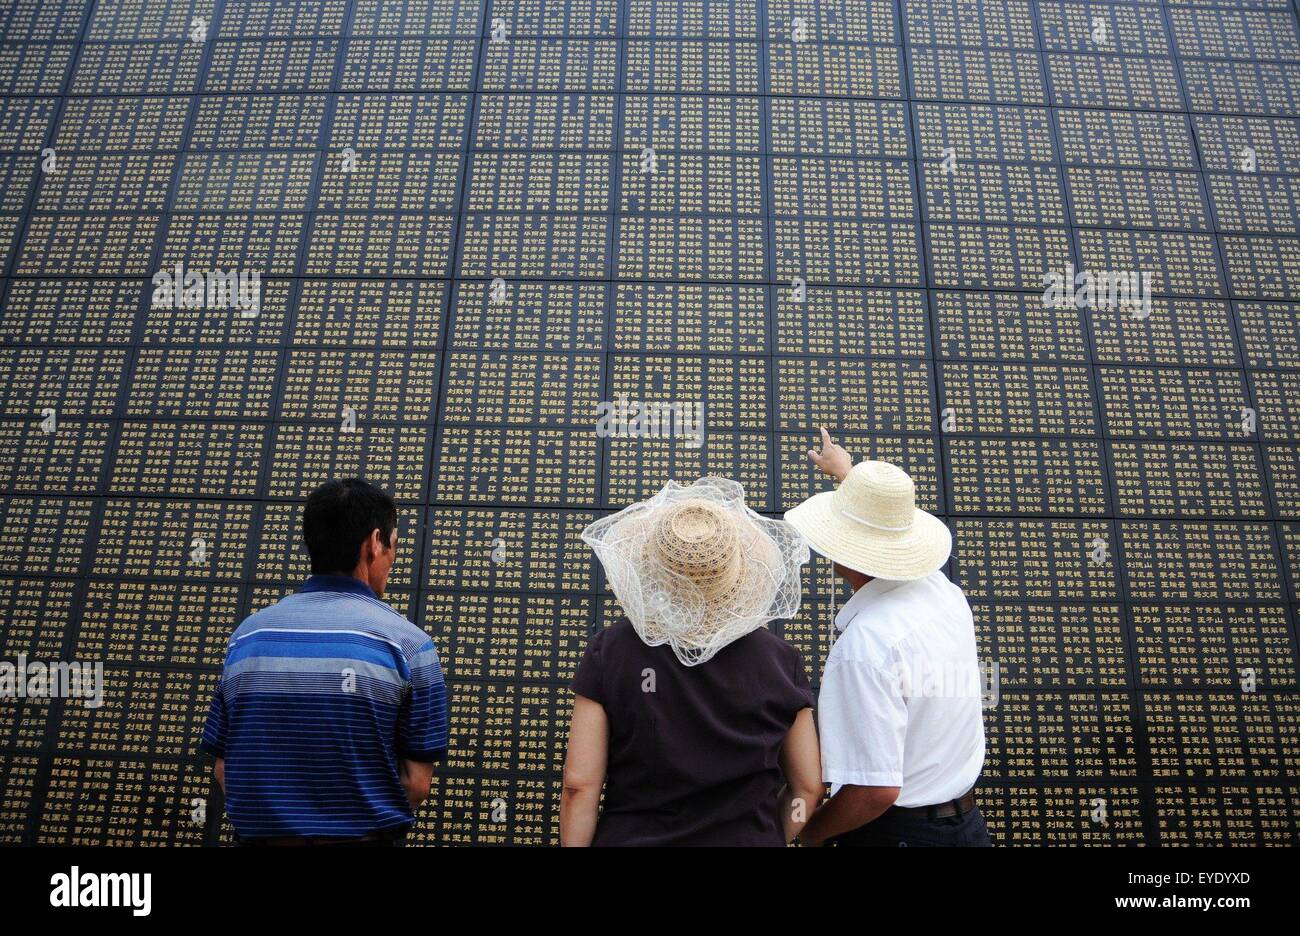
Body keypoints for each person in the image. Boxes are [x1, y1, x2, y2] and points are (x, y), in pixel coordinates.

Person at [559, 477, 824, 846]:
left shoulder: (611, 650)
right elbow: (808, 789)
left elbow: (579, 786)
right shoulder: (781, 661)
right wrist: (772, 837)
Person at [199, 478, 448, 845]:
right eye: (394, 545)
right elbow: (416, 783)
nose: (393, 558)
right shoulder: (409, 645)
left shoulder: (248, 636)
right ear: (374, 542)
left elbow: (225, 768)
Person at [785, 431, 990, 847]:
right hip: (965, 827)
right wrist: (849, 478)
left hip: (897, 834)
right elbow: (885, 531)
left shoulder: (866, 646)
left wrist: (812, 835)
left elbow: (875, 791)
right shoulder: (944, 594)